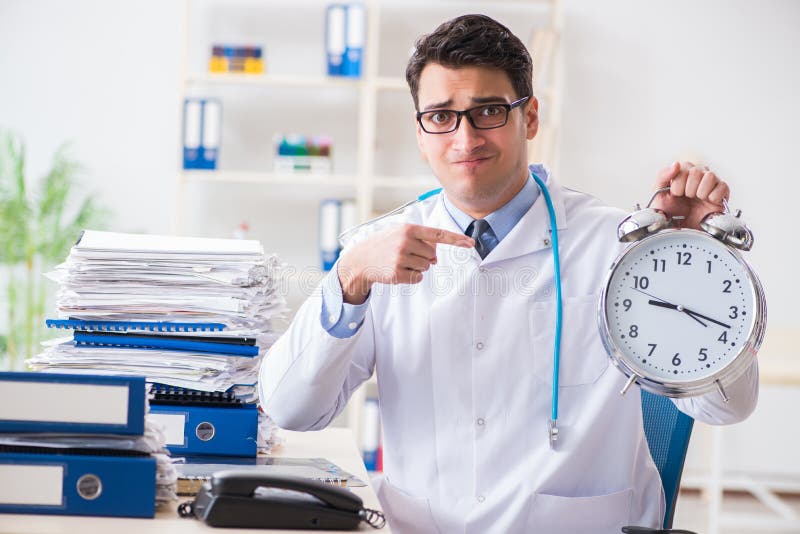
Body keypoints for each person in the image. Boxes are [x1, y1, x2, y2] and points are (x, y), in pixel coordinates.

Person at [259, 14, 758, 534]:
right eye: (441, 116)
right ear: (420, 130)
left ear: (531, 118)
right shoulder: (376, 252)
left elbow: (727, 406)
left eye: (488, 111)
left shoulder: (620, 246)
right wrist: (349, 278)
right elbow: (290, 409)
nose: (465, 137)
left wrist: (700, 258)